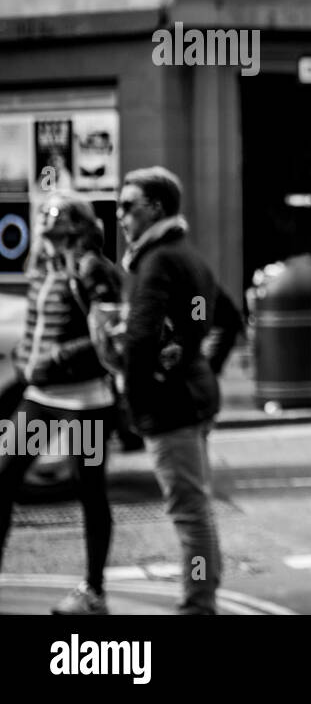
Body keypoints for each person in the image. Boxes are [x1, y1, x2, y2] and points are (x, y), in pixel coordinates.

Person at [0, 194, 122, 614]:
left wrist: (59, 355)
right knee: (3, 477)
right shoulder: (43, 269)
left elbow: (110, 333)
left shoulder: (91, 270)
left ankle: (94, 590)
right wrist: (26, 359)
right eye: (49, 233)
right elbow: (36, 325)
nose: (52, 241)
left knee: (89, 491)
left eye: (61, 233)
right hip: (40, 395)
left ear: (78, 231)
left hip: (84, 401)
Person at [117, 166, 223, 615]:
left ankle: (198, 605)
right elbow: (228, 319)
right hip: (192, 396)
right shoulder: (186, 254)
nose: (121, 216)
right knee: (196, 506)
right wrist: (198, 363)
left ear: (154, 209)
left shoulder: (158, 259)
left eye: (128, 207)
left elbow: (140, 341)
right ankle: (201, 599)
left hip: (172, 406)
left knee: (189, 512)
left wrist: (136, 395)